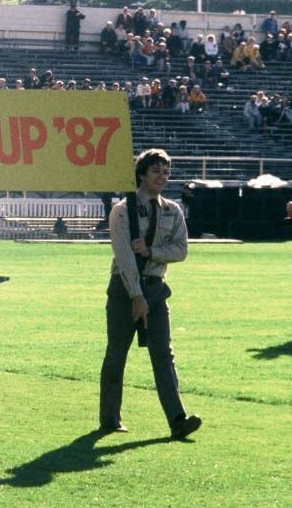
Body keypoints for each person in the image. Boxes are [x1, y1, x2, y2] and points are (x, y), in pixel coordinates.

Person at [101, 149, 202, 440]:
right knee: (116, 353)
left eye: (166, 171)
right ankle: (109, 418)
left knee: (163, 354)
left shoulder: (172, 210)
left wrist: (151, 251)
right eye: (156, 170)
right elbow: (123, 257)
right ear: (142, 174)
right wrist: (135, 294)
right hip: (125, 289)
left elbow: (181, 250)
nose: (163, 176)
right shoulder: (123, 210)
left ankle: (177, 419)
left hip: (156, 288)